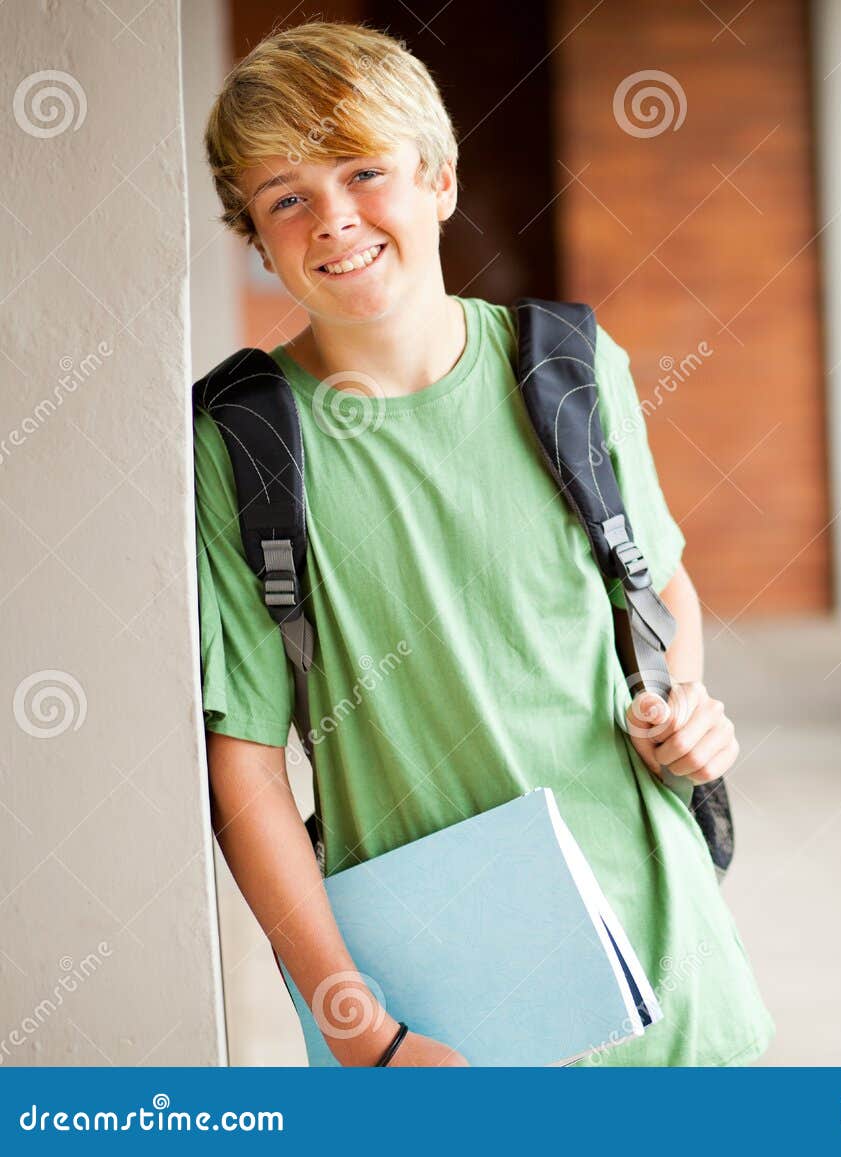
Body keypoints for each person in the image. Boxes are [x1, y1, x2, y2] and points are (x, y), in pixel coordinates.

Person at [195, 19, 774, 1067]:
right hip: (433, 1012)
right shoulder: (240, 443)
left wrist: (686, 711)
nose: (334, 219)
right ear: (257, 234)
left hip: (667, 964)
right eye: (287, 197)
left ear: (439, 181)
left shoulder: (571, 369)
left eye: (365, 171)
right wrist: (359, 1025)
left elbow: (660, 595)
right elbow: (243, 767)